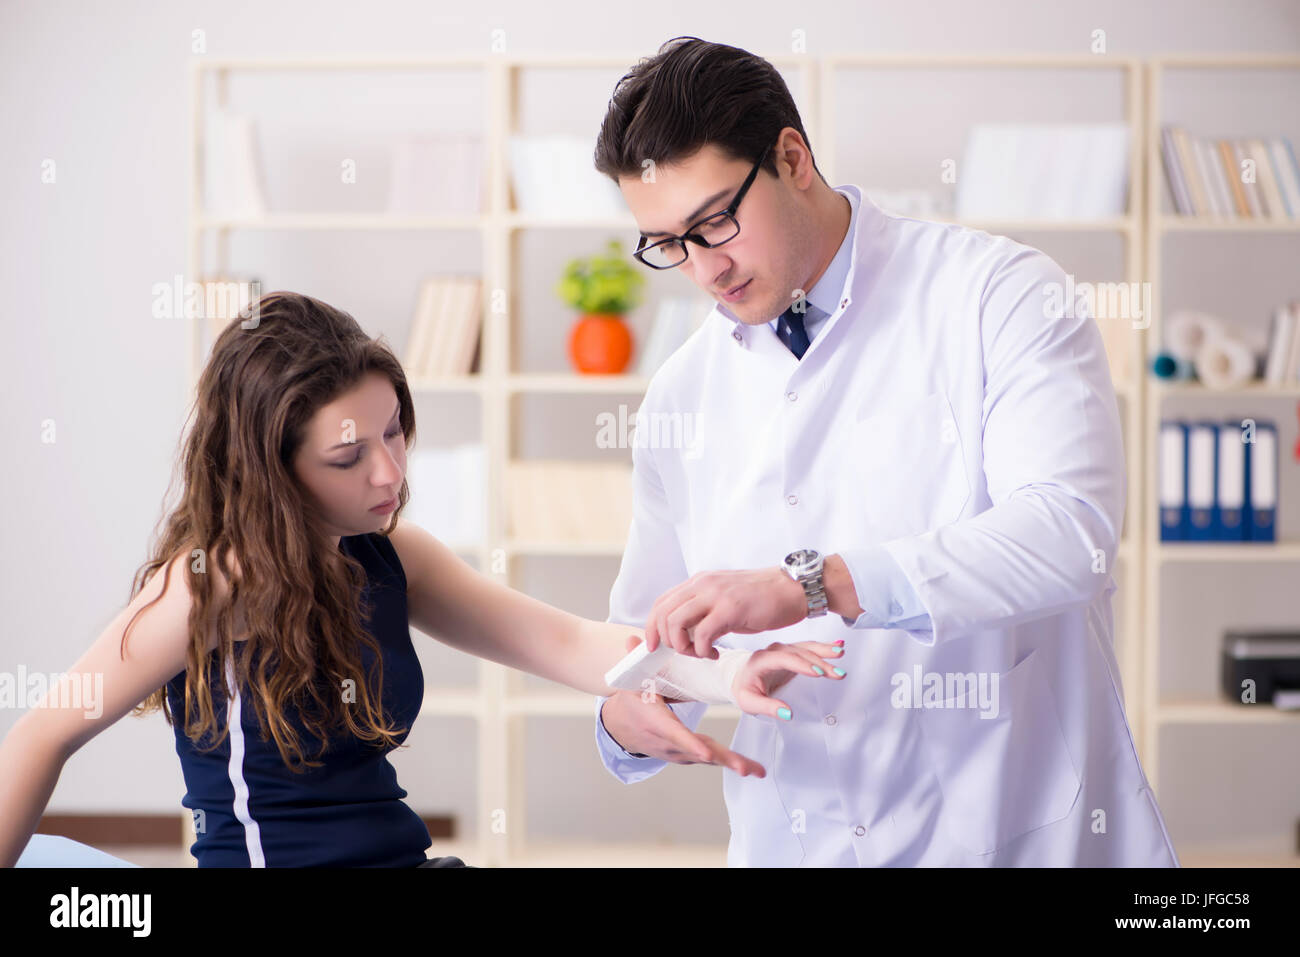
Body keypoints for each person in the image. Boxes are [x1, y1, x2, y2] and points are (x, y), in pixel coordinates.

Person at [590, 36, 1180, 867]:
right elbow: (651, 637)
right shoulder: (681, 395)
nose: (703, 267)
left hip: (1016, 835)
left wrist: (812, 584)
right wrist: (629, 719)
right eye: (667, 243)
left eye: (715, 220)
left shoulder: (998, 296)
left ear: (792, 157)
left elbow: (1068, 532)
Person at [0, 291, 846, 868]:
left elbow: (569, 641)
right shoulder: (206, 586)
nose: (387, 474)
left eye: (395, 434)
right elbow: (43, 734)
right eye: (348, 455)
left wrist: (729, 672)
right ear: (272, 467)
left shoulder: (389, 552)